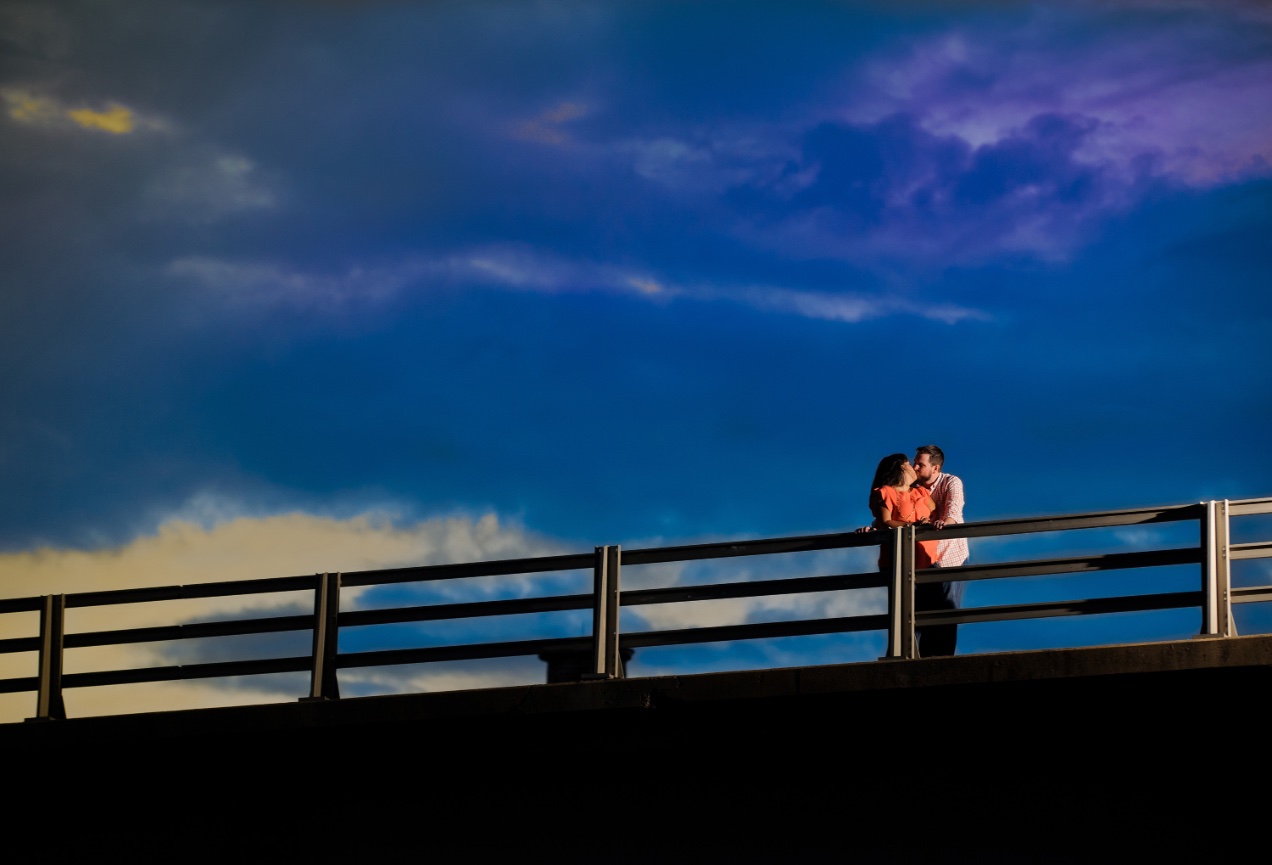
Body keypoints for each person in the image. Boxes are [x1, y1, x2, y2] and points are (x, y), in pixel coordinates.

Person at [911, 444, 968, 657]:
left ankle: (942, 664)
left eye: (920, 463)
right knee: (917, 614)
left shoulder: (951, 482)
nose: (914, 466)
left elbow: (954, 507)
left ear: (935, 468)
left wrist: (947, 523)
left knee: (946, 613)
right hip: (922, 559)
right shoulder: (912, 487)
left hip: (949, 557)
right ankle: (914, 662)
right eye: (914, 462)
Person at [868, 453, 938, 572]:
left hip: (928, 559)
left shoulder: (921, 492)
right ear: (901, 468)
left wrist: (929, 521)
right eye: (909, 464)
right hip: (899, 561)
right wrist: (913, 526)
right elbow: (885, 522)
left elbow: (936, 513)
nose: (914, 468)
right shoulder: (885, 493)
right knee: (904, 589)